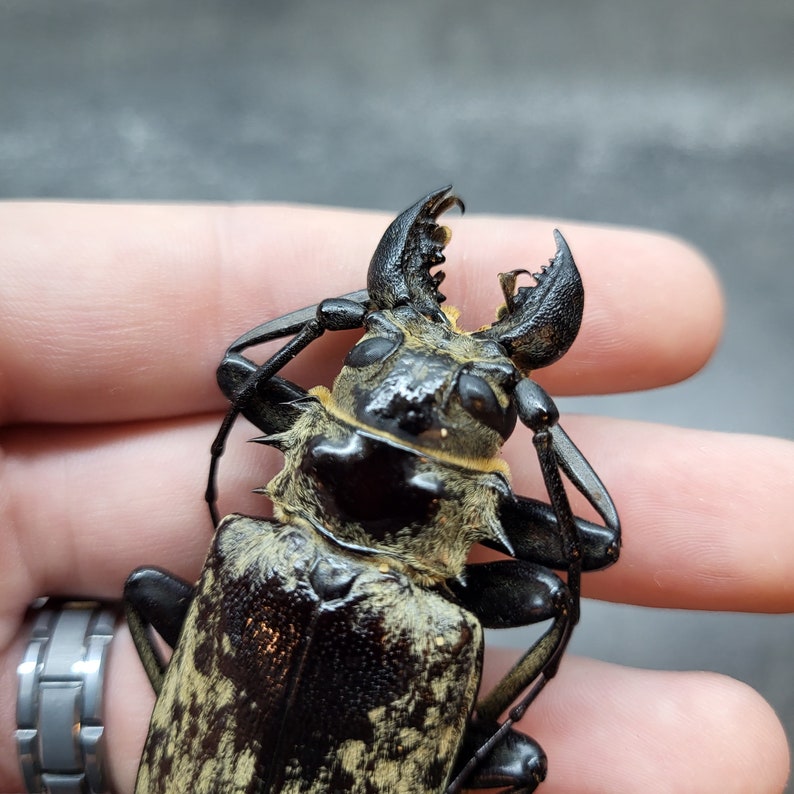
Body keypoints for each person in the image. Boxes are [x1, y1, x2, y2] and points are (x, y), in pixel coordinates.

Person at [0, 201, 790, 793]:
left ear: (309, 439)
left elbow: (239, 368)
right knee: (518, 749)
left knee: (147, 589)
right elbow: (598, 543)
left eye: (485, 400)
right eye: (376, 349)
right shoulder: (434, 620)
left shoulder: (239, 552)